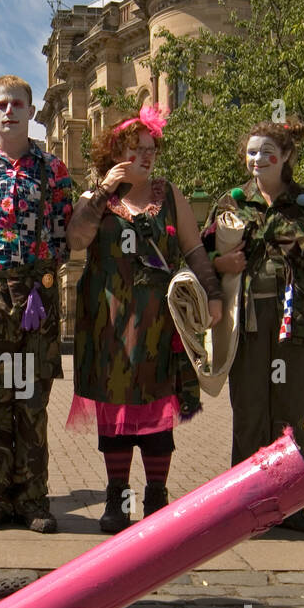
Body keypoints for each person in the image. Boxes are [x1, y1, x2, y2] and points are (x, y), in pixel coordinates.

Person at [67, 105, 219, 532]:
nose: (147, 156)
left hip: (158, 321)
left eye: (151, 149)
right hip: (108, 321)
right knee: (115, 411)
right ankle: (117, 498)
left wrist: (213, 294)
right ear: (115, 152)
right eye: (137, 149)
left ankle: (157, 497)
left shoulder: (168, 194)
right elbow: (77, 239)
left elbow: (193, 250)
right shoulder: (95, 196)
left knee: (155, 410)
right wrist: (101, 193)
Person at [203, 119, 304, 533]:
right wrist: (219, 264)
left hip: (293, 322)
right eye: (252, 152)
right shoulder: (232, 201)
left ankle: (291, 505)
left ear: (286, 157)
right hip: (246, 322)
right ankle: (245, 506)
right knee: (249, 411)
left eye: (266, 152)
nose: (257, 159)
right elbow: (201, 256)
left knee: (290, 411)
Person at [0, 75, 74, 534]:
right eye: (1, 105)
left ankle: (33, 500)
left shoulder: (54, 169)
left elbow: (67, 229)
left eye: (17, 104)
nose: (9, 111)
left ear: (29, 111)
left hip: (36, 295)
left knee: (31, 399)